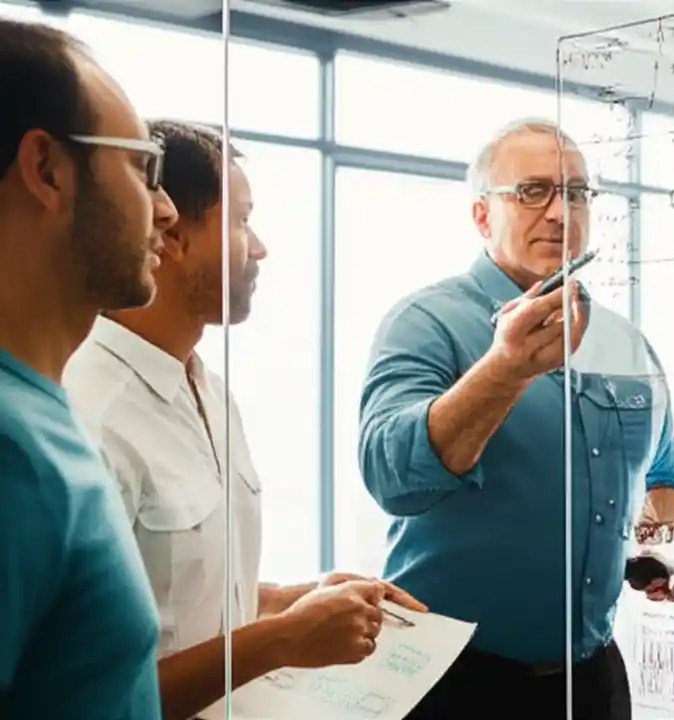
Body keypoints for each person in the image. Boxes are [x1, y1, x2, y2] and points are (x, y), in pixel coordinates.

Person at [62, 119, 426, 720]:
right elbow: (85, 692)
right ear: (170, 230)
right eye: (240, 220)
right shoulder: (89, 413)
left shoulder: (208, 389)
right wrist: (282, 641)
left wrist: (296, 601)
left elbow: (176, 597)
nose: (258, 247)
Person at [359, 117, 674, 719]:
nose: (561, 214)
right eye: (534, 192)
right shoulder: (427, 323)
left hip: (592, 678)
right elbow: (392, 476)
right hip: (455, 681)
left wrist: (660, 550)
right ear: (482, 215)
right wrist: (505, 369)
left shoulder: (626, 342)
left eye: (577, 193)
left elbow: (665, 472)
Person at [0, 18, 176, 719]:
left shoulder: (41, 411)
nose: (163, 211)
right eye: (143, 167)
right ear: (46, 170)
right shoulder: (10, 451)